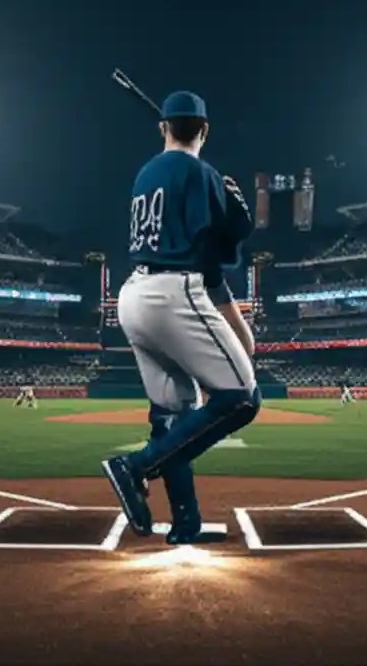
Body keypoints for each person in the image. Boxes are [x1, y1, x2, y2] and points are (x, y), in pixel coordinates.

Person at [101, 90, 261, 545]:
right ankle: (133, 467)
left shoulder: (145, 173)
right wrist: (238, 215)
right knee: (242, 397)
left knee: (170, 416)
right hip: (174, 293)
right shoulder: (202, 172)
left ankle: (185, 522)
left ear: (162, 128)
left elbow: (202, 245)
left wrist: (225, 211)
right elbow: (224, 247)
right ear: (204, 130)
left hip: (132, 296)